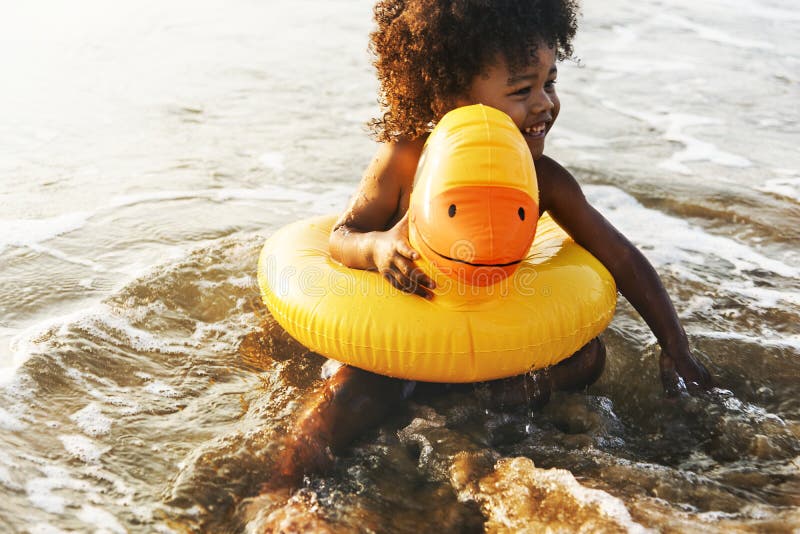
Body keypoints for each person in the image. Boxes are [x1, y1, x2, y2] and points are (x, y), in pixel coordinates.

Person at [271, 0, 713, 488]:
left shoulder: (542, 180)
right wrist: (377, 249)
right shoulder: (404, 161)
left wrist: (676, 347)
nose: (545, 102)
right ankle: (285, 490)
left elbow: (621, 256)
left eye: (550, 82)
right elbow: (341, 236)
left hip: (491, 333)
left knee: (588, 358)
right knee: (355, 392)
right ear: (448, 97)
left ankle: (463, 404)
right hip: (411, 335)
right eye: (523, 89)